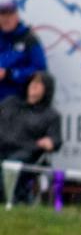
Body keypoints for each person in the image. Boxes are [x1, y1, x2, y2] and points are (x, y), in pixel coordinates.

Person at [0, 71, 60, 204]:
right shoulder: (11, 104)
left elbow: (56, 140)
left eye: (39, 83)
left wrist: (50, 142)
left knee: (9, 166)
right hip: (2, 149)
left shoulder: (50, 115)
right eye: (33, 81)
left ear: (47, 88)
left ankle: (11, 201)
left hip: (26, 154)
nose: (34, 85)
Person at [0, 0, 47, 104]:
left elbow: (40, 70)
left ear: (17, 16)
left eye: (10, 15)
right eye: (3, 15)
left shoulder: (29, 39)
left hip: (18, 102)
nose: (6, 19)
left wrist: (10, 74)